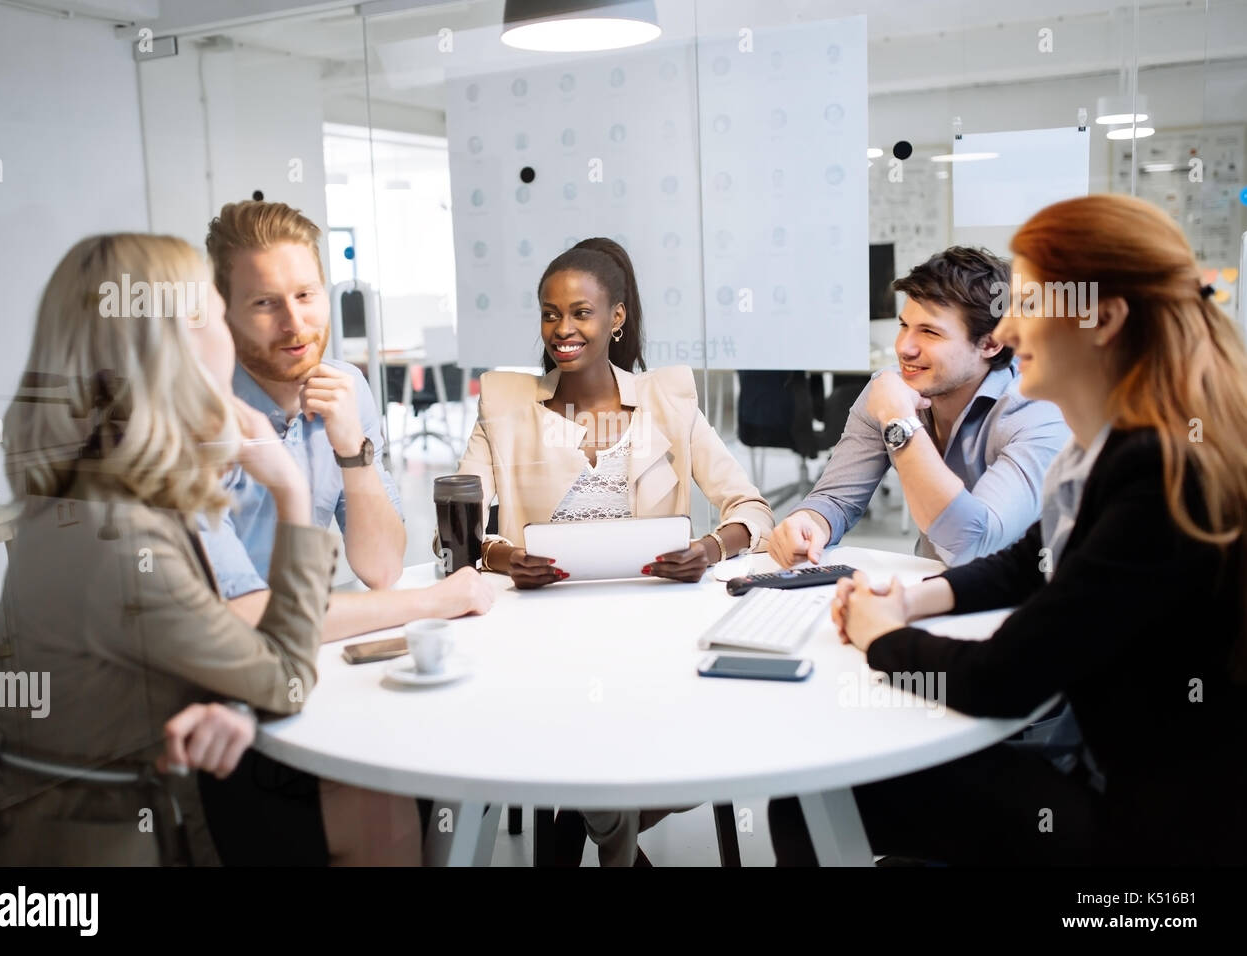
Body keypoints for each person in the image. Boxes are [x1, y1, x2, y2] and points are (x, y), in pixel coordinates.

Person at [769, 195, 1247, 866]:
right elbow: (1032, 560)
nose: (1011, 331)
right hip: (1126, 787)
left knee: (816, 799)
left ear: (1101, 319)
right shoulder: (1122, 448)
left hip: (1151, 838)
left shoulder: (1158, 474)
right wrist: (912, 600)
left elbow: (1004, 676)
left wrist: (885, 636)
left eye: (1027, 303)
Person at [0, 234, 419, 866]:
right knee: (377, 802)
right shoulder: (121, 533)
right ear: (176, 345)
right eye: (213, 313)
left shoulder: (96, 488)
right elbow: (282, 677)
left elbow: (167, 657)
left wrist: (226, 701)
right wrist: (286, 486)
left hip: (83, 820)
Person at [455, 237, 775, 864]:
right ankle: (621, 847)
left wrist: (708, 549)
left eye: (581, 312)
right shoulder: (505, 404)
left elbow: (753, 511)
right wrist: (501, 557)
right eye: (550, 313)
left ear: (616, 318)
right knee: (576, 726)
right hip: (545, 634)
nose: (563, 329)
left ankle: (607, 832)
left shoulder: (668, 400)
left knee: (608, 740)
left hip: (652, 629)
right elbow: (463, 529)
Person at [201, 200, 493, 638]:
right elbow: (243, 614)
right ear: (225, 313)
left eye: (305, 295)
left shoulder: (346, 386)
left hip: (306, 649)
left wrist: (352, 452)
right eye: (265, 303)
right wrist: (436, 601)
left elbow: (382, 569)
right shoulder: (197, 418)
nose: (294, 323)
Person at [768, 247, 1069, 569]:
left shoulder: (1039, 412)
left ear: (991, 343)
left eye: (929, 332)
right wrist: (810, 521)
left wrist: (899, 421)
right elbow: (836, 499)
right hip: (930, 588)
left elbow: (973, 544)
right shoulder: (889, 391)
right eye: (904, 325)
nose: (903, 348)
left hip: (1025, 601)